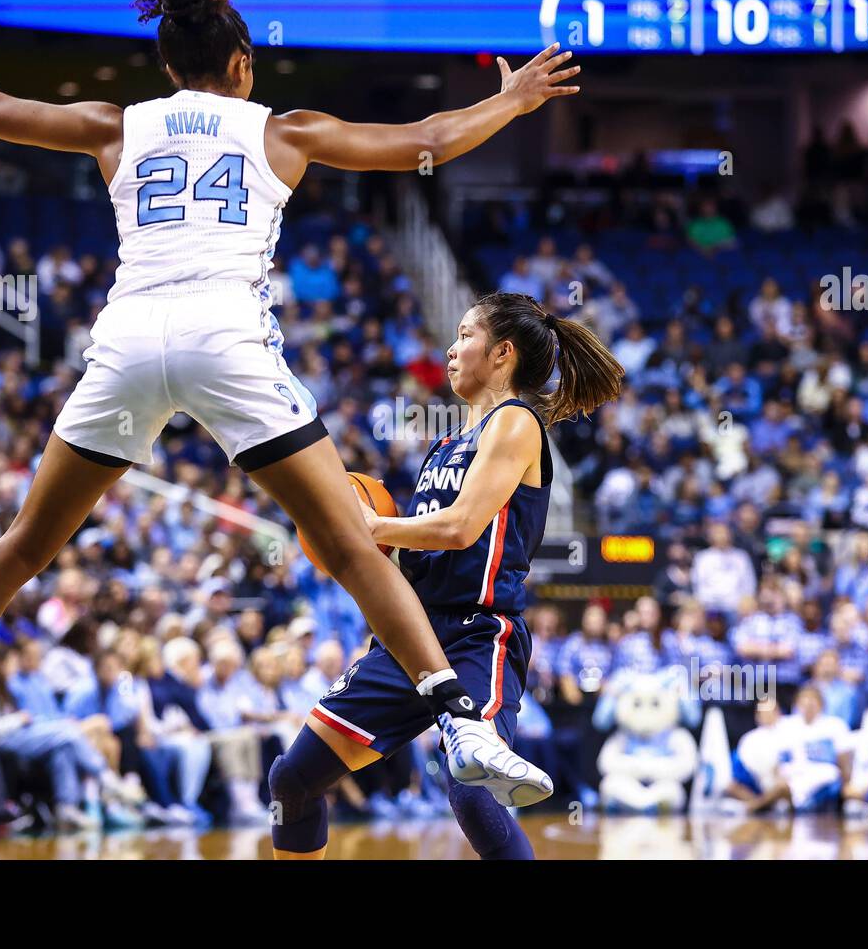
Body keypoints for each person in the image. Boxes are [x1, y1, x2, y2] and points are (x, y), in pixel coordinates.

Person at [0, 0, 580, 807]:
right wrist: (512, 100)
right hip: (224, 339)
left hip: (128, 341)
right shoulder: (281, 129)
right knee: (347, 544)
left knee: (26, 541)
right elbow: (420, 144)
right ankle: (457, 716)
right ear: (242, 63)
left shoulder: (117, 122)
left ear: (167, 68)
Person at [267, 293, 623, 859]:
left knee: (473, 791)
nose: (451, 351)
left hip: (476, 635)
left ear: (502, 353)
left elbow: (459, 529)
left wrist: (372, 527)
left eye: (464, 337)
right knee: (292, 781)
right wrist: (357, 554)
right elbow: (421, 551)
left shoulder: (516, 423)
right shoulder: (445, 445)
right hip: (409, 637)